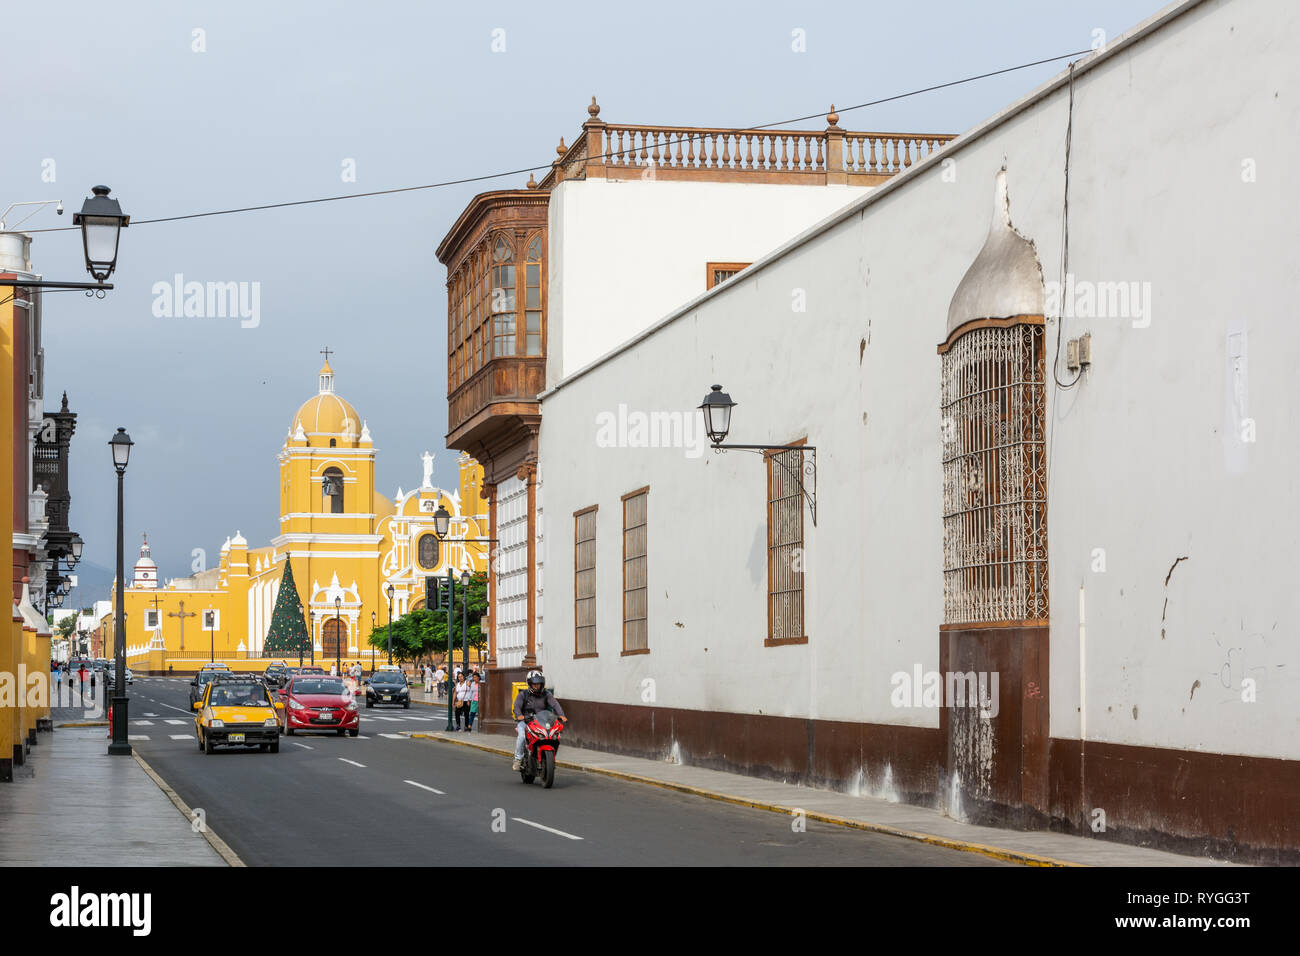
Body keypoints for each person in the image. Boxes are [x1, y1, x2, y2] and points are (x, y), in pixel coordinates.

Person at [511, 671, 566, 771]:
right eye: (534, 684)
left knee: (553, 736)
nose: (537, 686)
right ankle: (518, 759)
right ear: (530, 684)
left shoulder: (546, 694)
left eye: (539, 683)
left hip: (541, 721)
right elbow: (517, 706)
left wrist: (561, 715)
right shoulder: (523, 695)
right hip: (526, 721)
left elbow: (555, 704)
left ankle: (550, 760)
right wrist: (519, 715)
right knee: (522, 736)